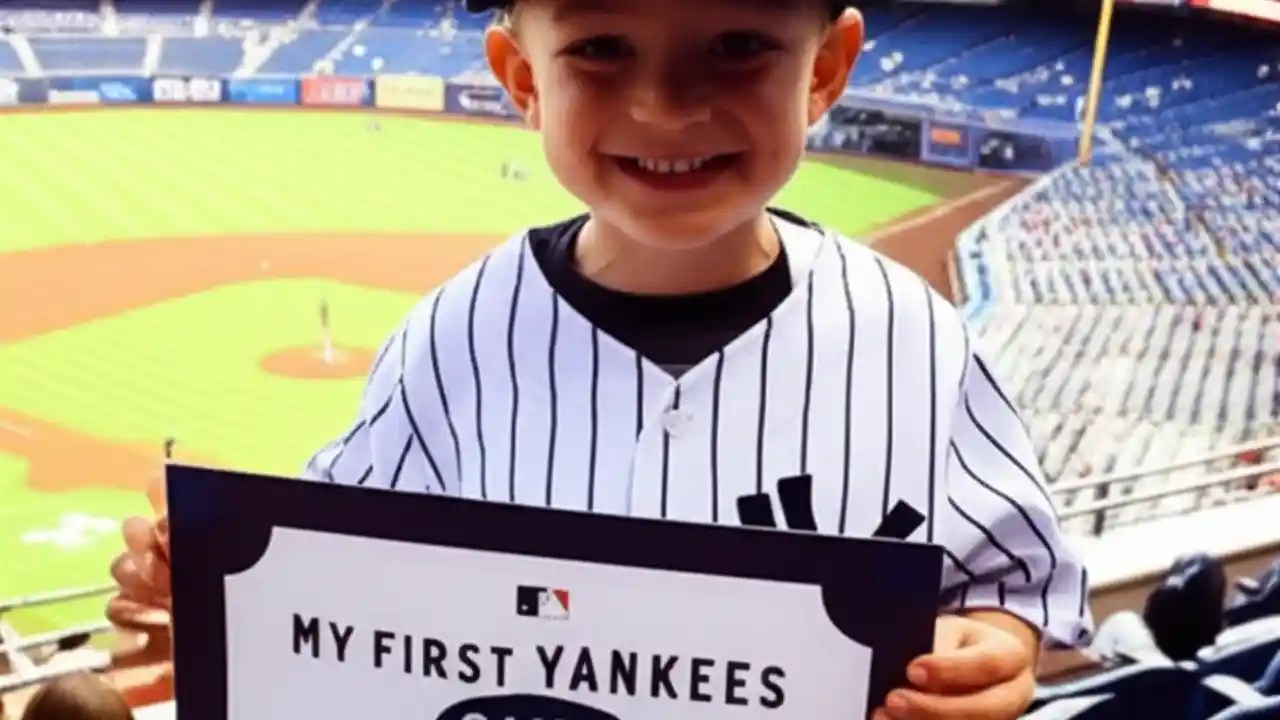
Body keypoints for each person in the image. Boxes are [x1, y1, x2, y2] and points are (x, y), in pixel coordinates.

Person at [108, 1, 1093, 718]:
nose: (665, 105)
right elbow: (332, 576)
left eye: (738, 45)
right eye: (599, 48)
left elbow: (1004, 587)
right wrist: (206, 592)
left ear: (825, 69)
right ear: (522, 78)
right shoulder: (455, 335)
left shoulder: (914, 339)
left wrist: (992, 654)